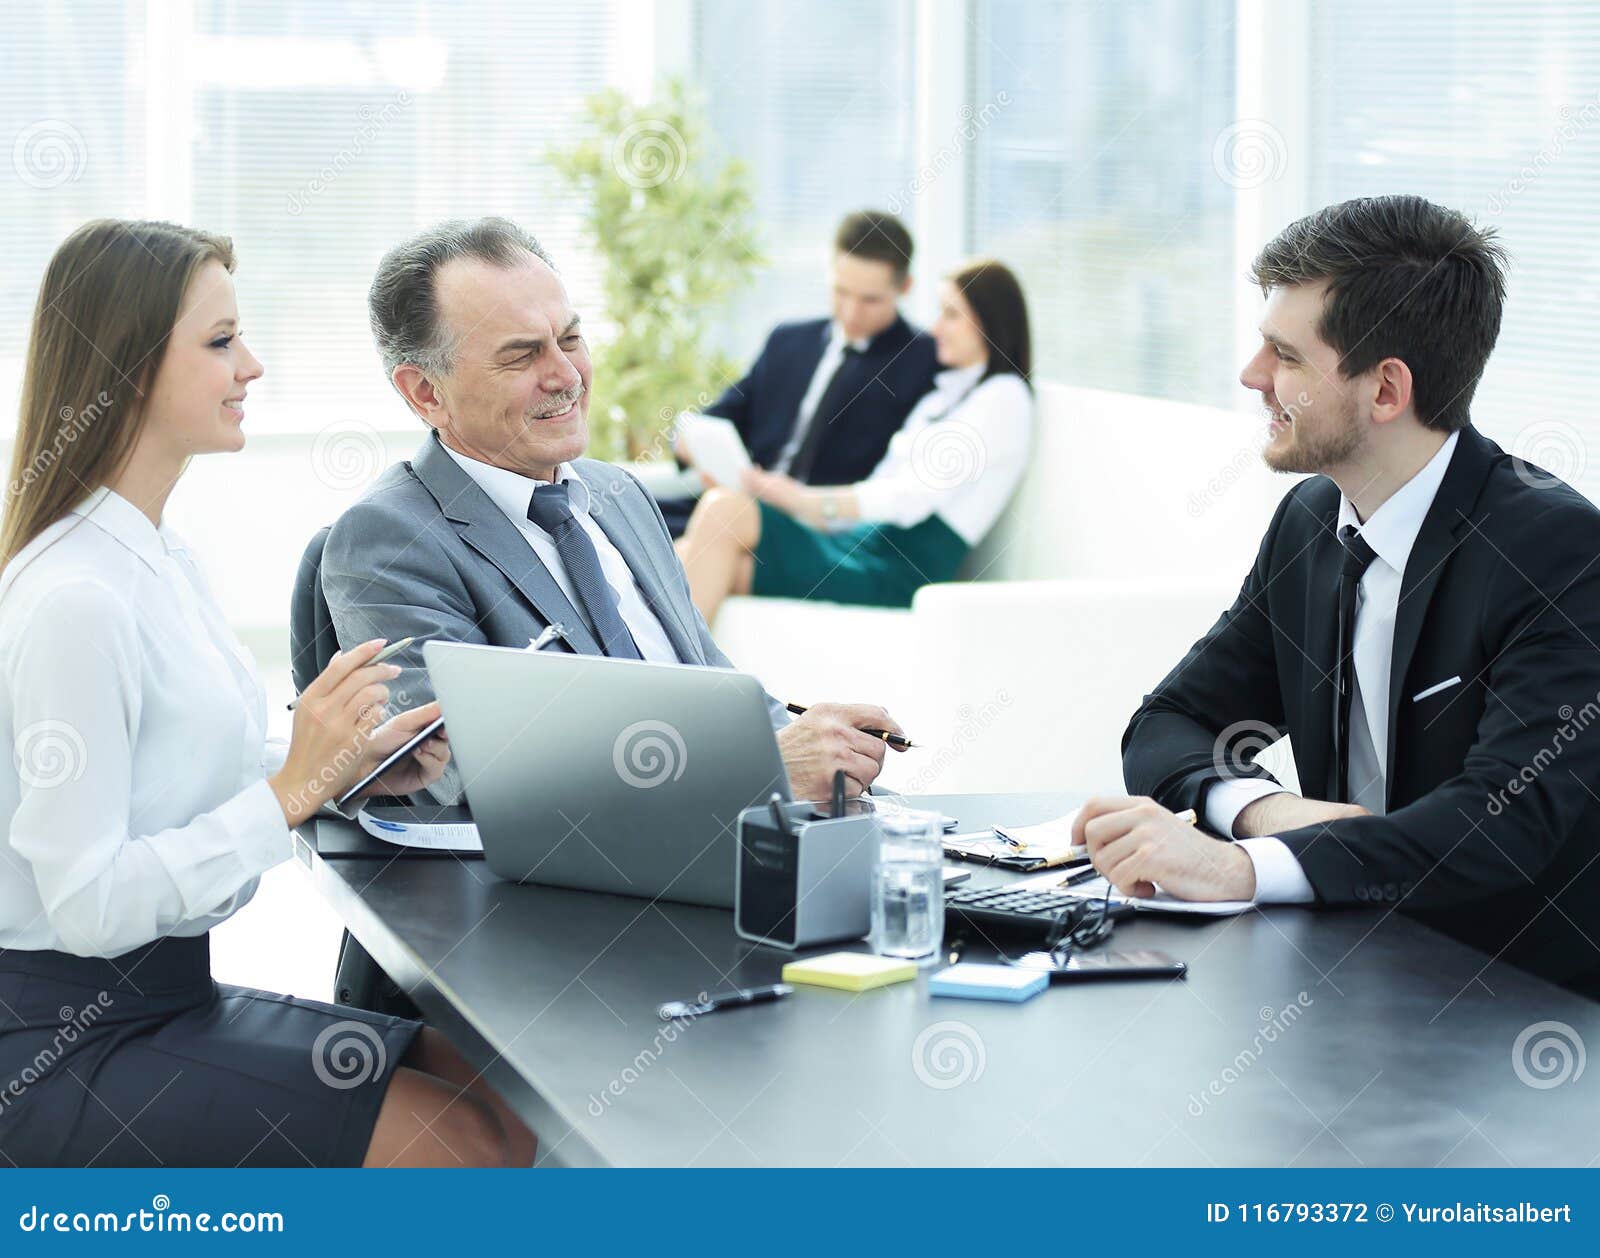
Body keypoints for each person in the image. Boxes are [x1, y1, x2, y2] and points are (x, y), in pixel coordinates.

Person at [0, 219, 537, 1166]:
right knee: (464, 1147)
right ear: (125, 368)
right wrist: (290, 790)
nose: (251, 365)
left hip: (164, 999)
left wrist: (347, 769)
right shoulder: (75, 597)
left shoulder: (160, 557)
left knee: (495, 1082)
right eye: (219, 342)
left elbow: (174, 770)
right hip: (67, 1042)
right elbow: (85, 904)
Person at [1074, 195, 1600, 999]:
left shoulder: (1554, 550)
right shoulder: (1313, 521)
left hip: (1509, 1003)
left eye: (1285, 355)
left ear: (1386, 389)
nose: (1253, 377)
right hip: (1339, 973)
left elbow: (1500, 823)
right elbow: (1167, 724)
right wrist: (1264, 814)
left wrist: (1239, 866)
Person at [316, 217, 907, 810]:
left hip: (737, 842)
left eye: (570, 340)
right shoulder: (386, 540)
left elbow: (713, 683)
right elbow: (466, 773)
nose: (568, 376)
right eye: (522, 357)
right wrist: (761, 768)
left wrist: (827, 749)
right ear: (425, 392)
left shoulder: (620, 495)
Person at [675, 259, 1032, 623]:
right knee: (688, 550)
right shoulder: (947, 394)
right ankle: (667, 668)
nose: (937, 328)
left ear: (991, 322)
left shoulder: (1004, 399)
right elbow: (884, 483)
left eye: (951, 315)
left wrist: (802, 500)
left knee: (723, 512)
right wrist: (789, 504)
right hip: (860, 543)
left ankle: (676, 673)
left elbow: (911, 498)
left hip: (896, 570)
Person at [659, 209, 941, 536]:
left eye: (870, 300)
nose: (851, 314)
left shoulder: (924, 360)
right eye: (841, 292)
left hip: (817, 531)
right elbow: (717, 417)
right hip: (736, 505)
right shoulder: (788, 341)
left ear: (905, 287)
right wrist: (689, 445)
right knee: (615, 522)